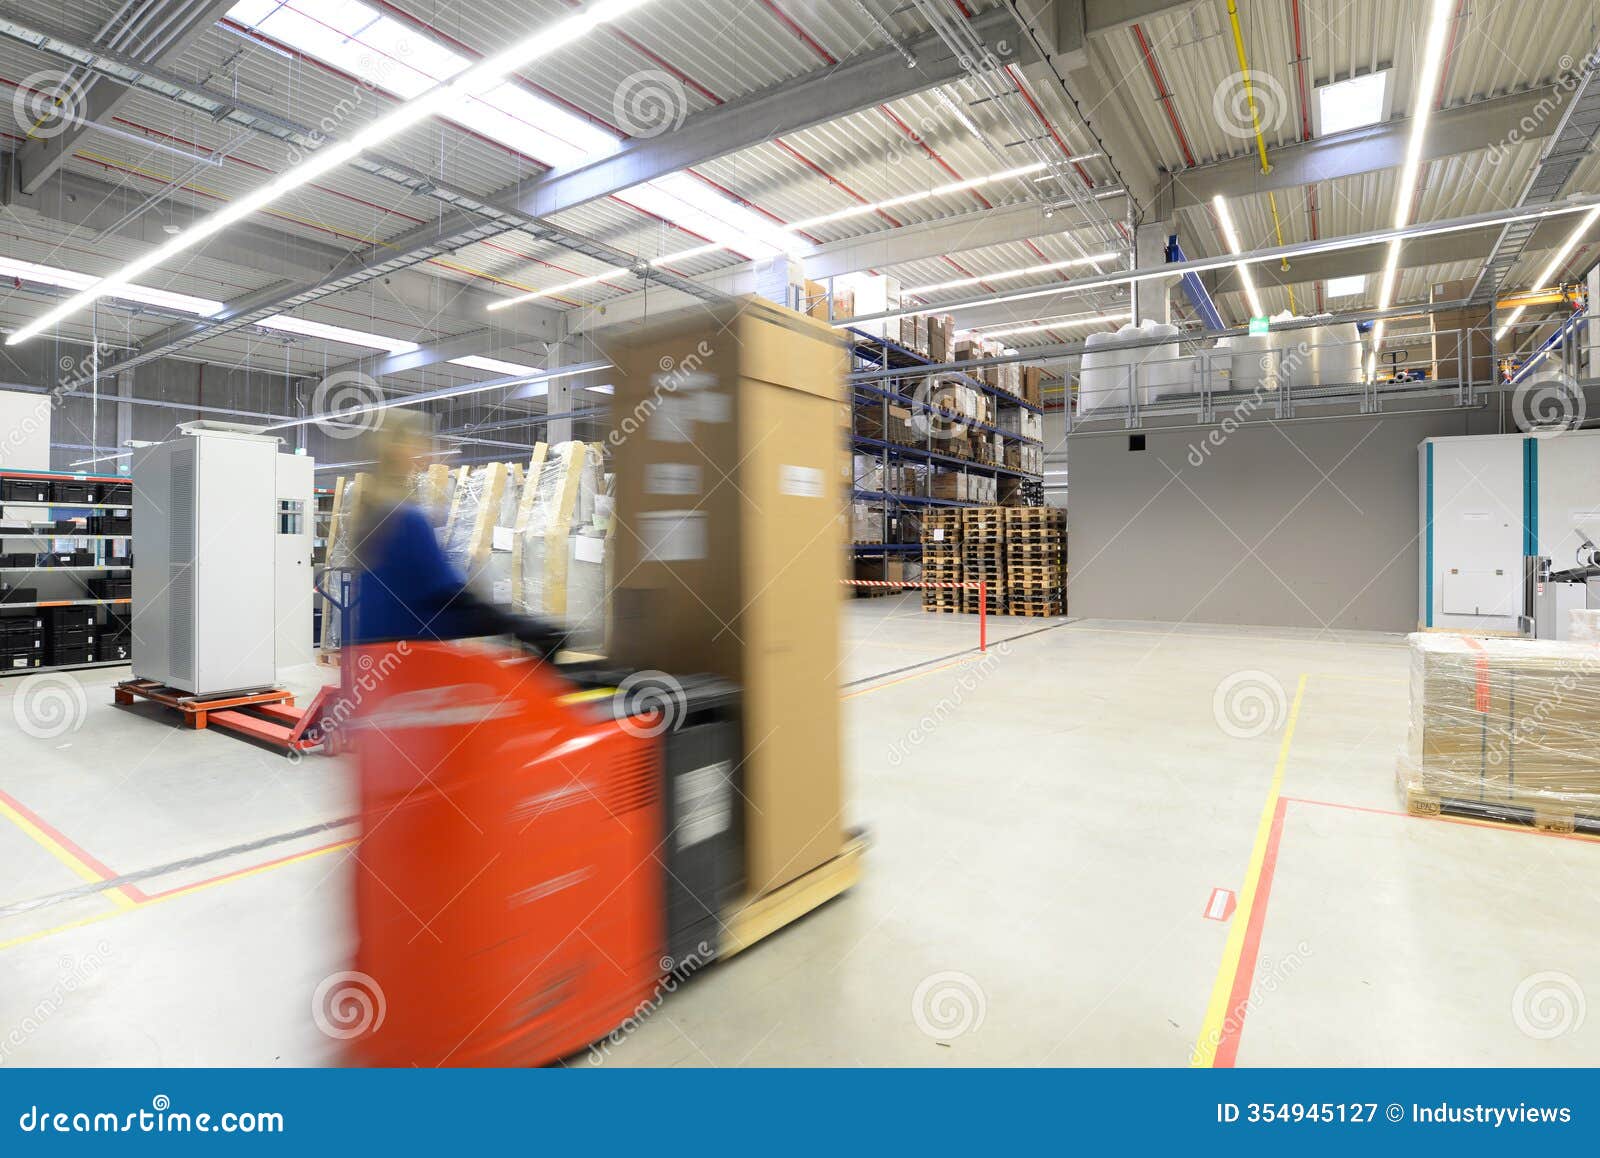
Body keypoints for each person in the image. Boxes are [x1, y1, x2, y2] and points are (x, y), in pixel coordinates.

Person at [345, 411, 566, 656]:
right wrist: (516, 624)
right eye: (417, 443)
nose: (425, 453)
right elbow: (448, 602)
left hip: (376, 663)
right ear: (397, 451)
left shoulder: (371, 517)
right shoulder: (407, 520)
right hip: (412, 663)